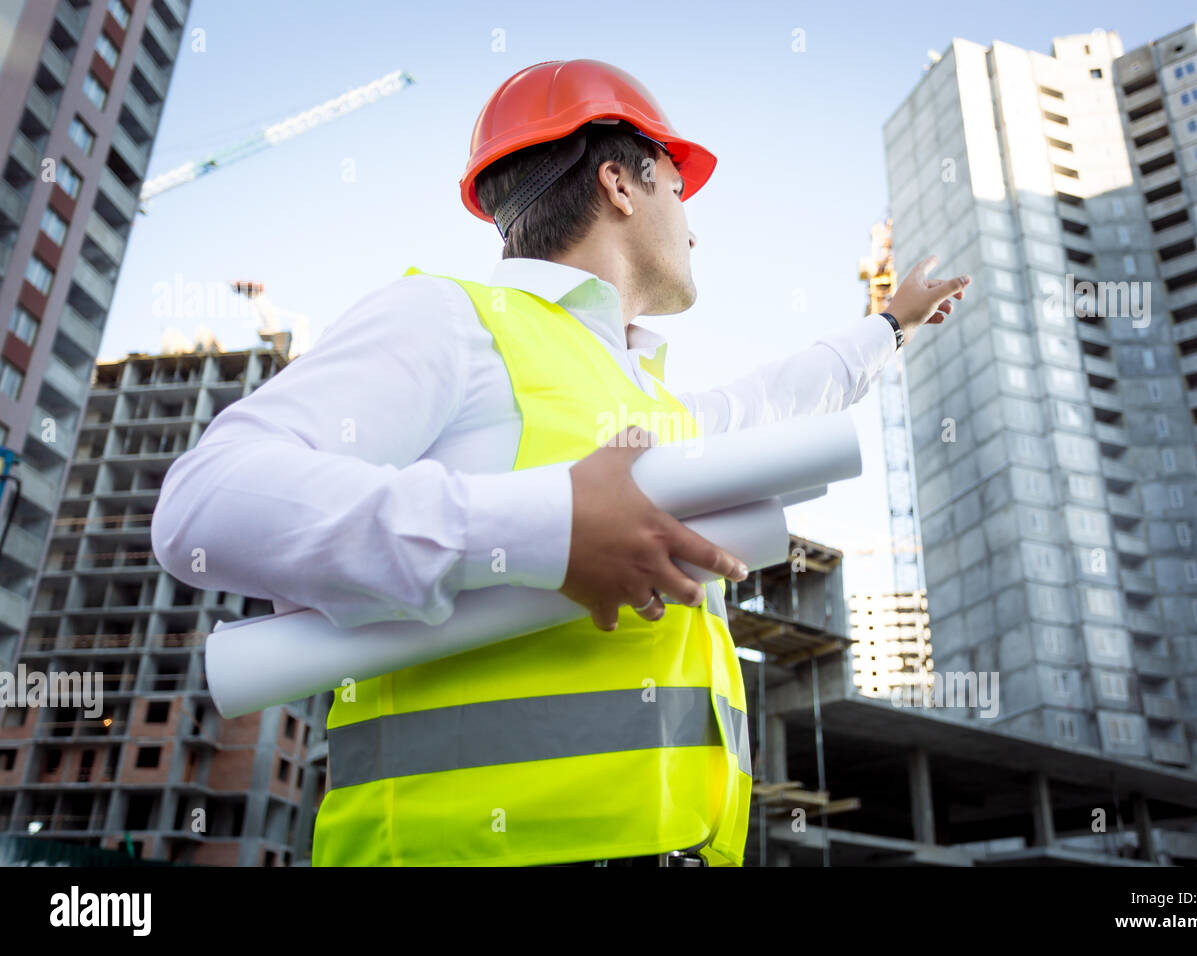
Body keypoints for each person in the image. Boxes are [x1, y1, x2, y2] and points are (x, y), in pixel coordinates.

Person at [150, 58, 968, 867]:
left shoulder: (648, 403)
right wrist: (550, 527)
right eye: (678, 192)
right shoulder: (449, 320)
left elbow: (775, 399)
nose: (693, 226)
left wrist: (887, 327)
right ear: (620, 184)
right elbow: (206, 500)